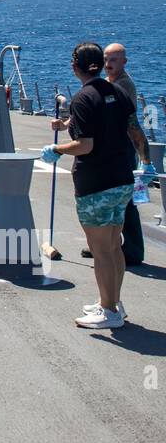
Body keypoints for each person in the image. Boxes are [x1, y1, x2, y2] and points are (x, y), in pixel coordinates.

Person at [43, 42, 137, 329]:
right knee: (113, 246)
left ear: (75, 67)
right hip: (122, 179)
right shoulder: (117, 92)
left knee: (101, 250)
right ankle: (113, 302)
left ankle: (108, 311)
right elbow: (133, 129)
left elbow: (85, 146)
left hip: (96, 184)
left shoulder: (83, 98)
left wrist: (57, 150)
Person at [99, 43, 155, 267]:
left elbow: (130, 124)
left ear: (124, 62)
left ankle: (132, 250)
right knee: (108, 201)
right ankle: (105, 246)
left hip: (122, 150)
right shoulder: (110, 83)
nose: (108, 64)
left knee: (126, 203)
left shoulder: (123, 86)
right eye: (106, 59)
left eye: (113, 60)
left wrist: (146, 160)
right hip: (110, 150)